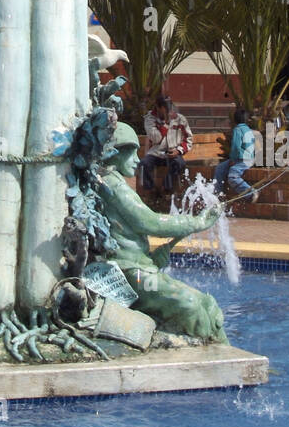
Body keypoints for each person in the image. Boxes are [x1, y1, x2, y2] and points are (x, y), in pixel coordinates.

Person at [96, 122, 228, 342]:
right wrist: (197, 222)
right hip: (131, 275)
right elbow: (151, 222)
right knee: (191, 304)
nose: (138, 160)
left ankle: (223, 352)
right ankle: (212, 355)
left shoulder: (115, 182)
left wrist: (150, 259)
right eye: (132, 154)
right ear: (115, 153)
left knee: (207, 303)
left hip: (139, 269)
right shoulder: (112, 185)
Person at [138, 95, 193, 193]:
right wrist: (165, 124)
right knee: (144, 164)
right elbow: (156, 138)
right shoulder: (150, 119)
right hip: (156, 153)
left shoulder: (180, 119)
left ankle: (166, 189)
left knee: (179, 164)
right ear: (158, 107)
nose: (167, 112)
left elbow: (188, 139)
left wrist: (178, 150)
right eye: (164, 109)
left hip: (173, 153)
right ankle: (150, 191)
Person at [213, 106, 259, 202]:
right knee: (220, 168)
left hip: (243, 160)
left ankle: (251, 192)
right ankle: (218, 194)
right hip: (246, 158)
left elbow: (236, 147)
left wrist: (233, 160)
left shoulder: (237, 130)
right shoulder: (248, 129)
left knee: (233, 176)